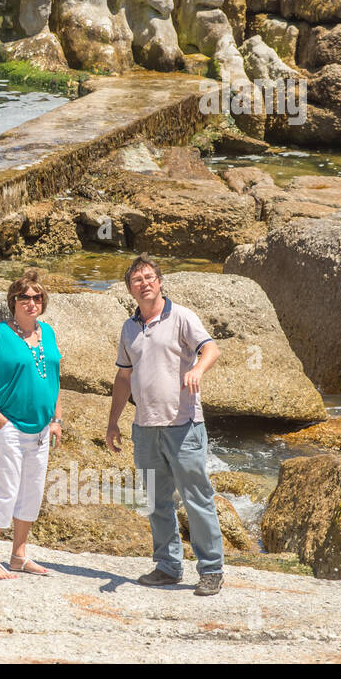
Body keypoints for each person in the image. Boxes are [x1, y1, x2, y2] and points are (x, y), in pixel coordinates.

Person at [106, 254, 225, 596]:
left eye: (148, 277)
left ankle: (211, 569)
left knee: (196, 497)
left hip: (183, 425)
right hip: (144, 428)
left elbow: (211, 349)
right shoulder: (130, 328)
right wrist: (113, 423)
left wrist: (197, 370)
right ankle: (168, 566)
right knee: (157, 501)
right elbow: (123, 376)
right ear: (130, 289)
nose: (144, 283)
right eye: (136, 280)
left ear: (159, 281)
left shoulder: (182, 317)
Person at [0, 270, 62, 580]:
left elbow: (54, 378)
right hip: (8, 428)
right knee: (5, 492)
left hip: (41, 429)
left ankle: (19, 555)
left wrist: (56, 419)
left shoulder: (46, 333)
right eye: (25, 298)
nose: (32, 303)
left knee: (32, 492)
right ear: (14, 301)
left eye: (37, 298)